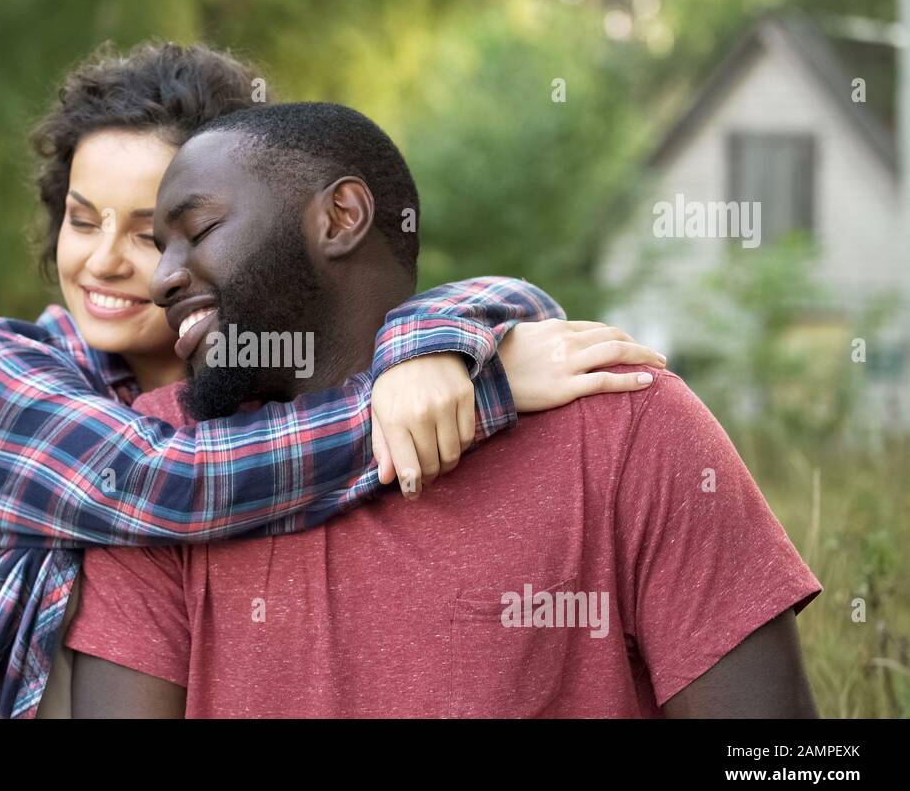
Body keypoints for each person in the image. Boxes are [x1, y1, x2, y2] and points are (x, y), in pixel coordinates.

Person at [0, 44, 665, 719]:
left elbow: (486, 306)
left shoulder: (260, 379)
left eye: (151, 234)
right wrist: (473, 388)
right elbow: (165, 479)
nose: (105, 260)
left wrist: (434, 349)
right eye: (82, 220)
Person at [65, 102, 822, 718]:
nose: (160, 278)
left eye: (194, 232)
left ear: (340, 217)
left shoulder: (623, 420)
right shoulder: (159, 473)